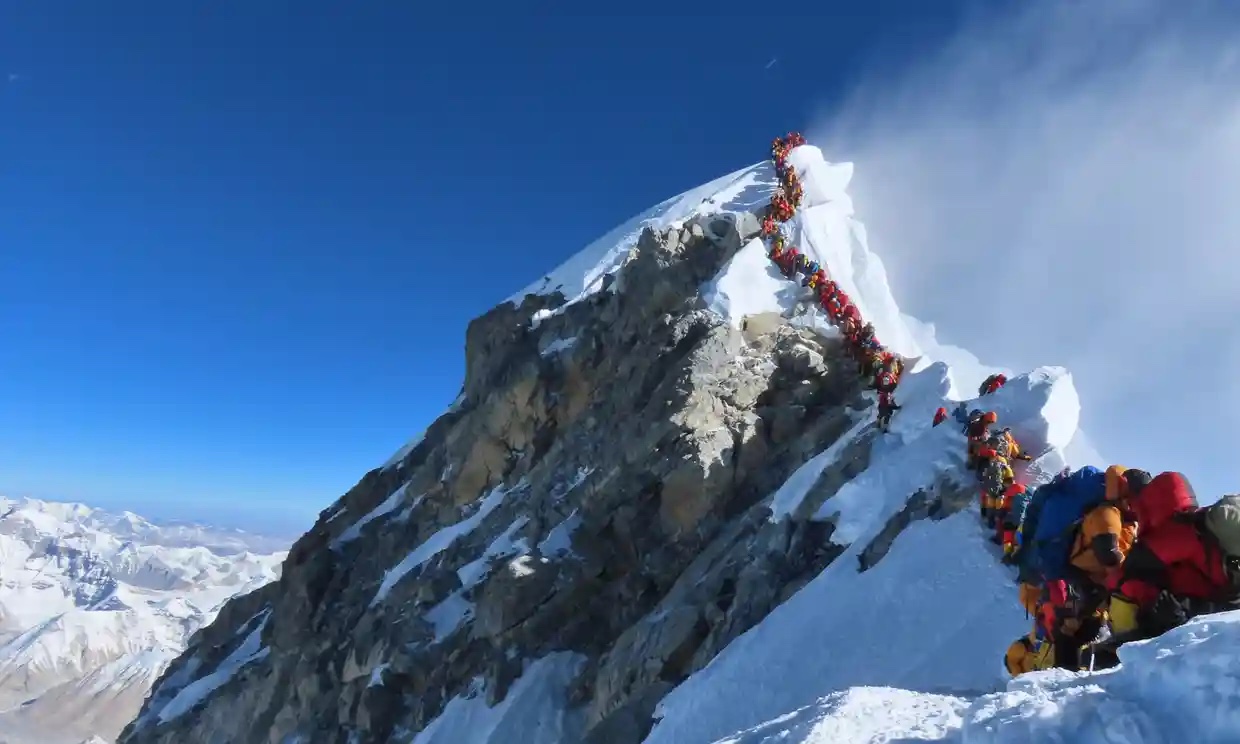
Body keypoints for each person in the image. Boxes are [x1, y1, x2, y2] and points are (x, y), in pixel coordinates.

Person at [1109, 474, 1240, 641]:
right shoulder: (1191, 533)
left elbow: (1131, 568)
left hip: (1190, 611)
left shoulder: (1183, 531)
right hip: (1193, 607)